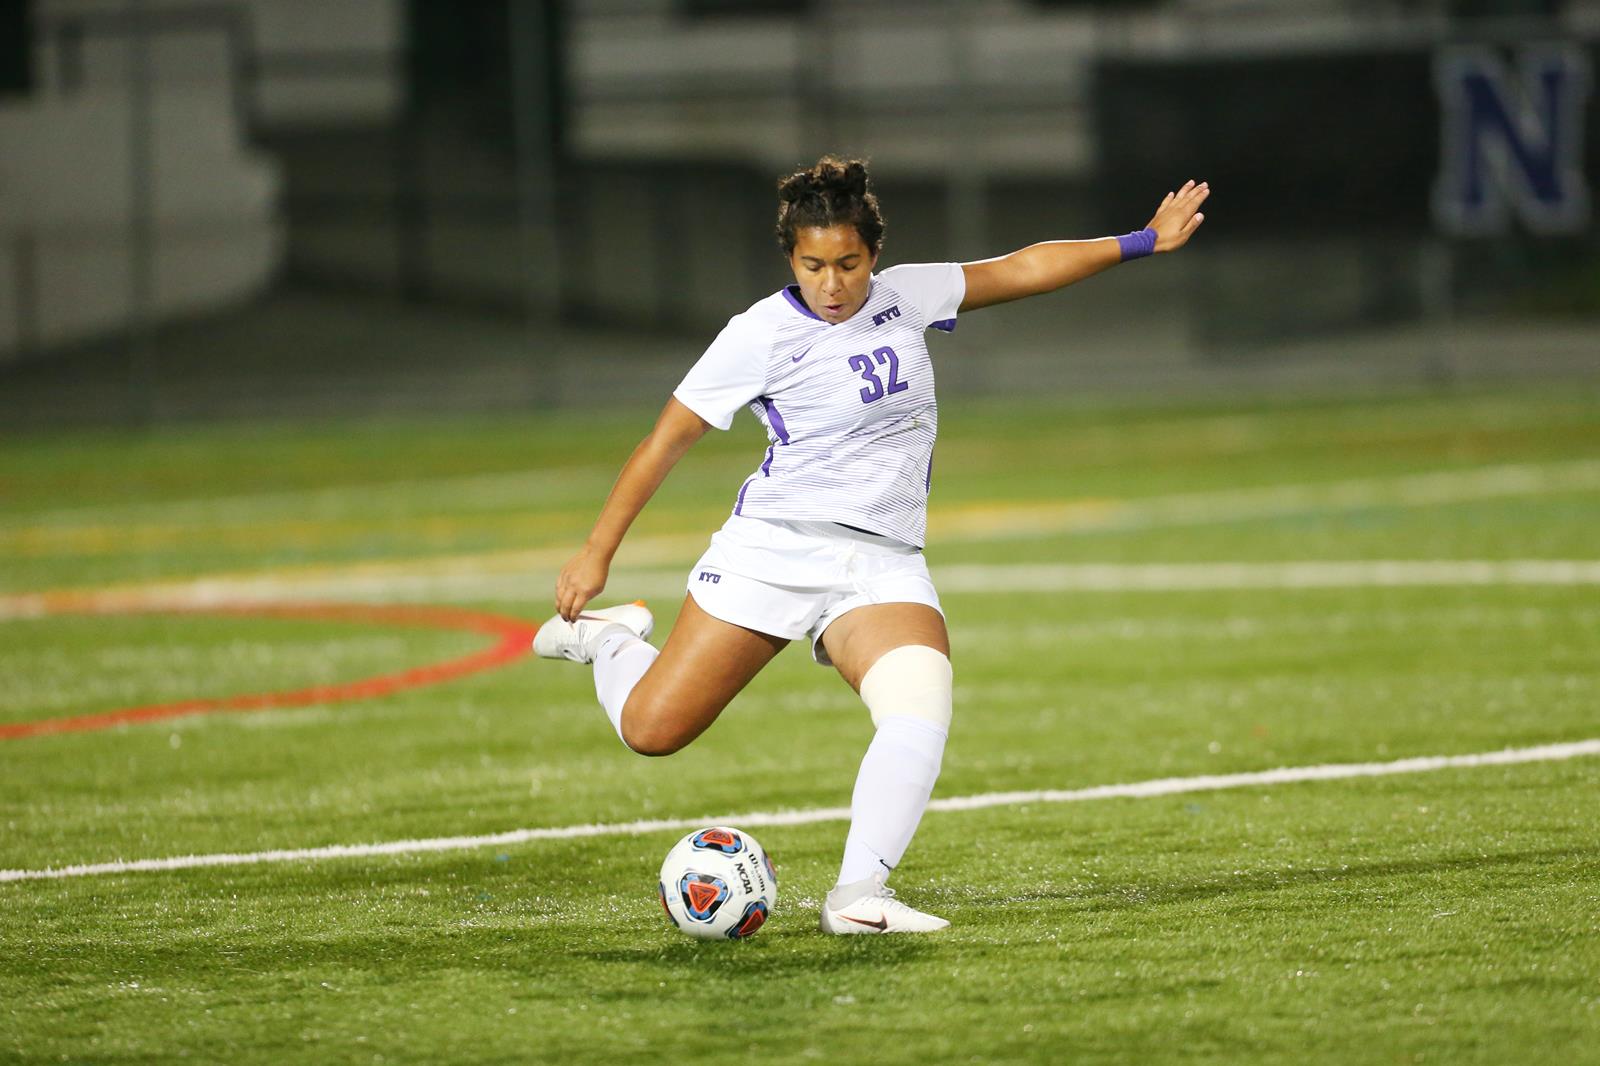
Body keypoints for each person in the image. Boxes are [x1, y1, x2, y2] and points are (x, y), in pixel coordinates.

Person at [534, 157, 1208, 934]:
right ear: (790, 258)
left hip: (882, 561)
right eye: (813, 264)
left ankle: (858, 898)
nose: (832, 283)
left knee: (919, 699)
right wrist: (596, 553)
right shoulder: (756, 335)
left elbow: (1023, 269)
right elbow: (663, 443)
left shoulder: (907, 297)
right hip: (774, 550)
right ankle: (611, 640)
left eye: (848, 263)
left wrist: (1141, 241)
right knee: (654, 732)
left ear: (873, 255)